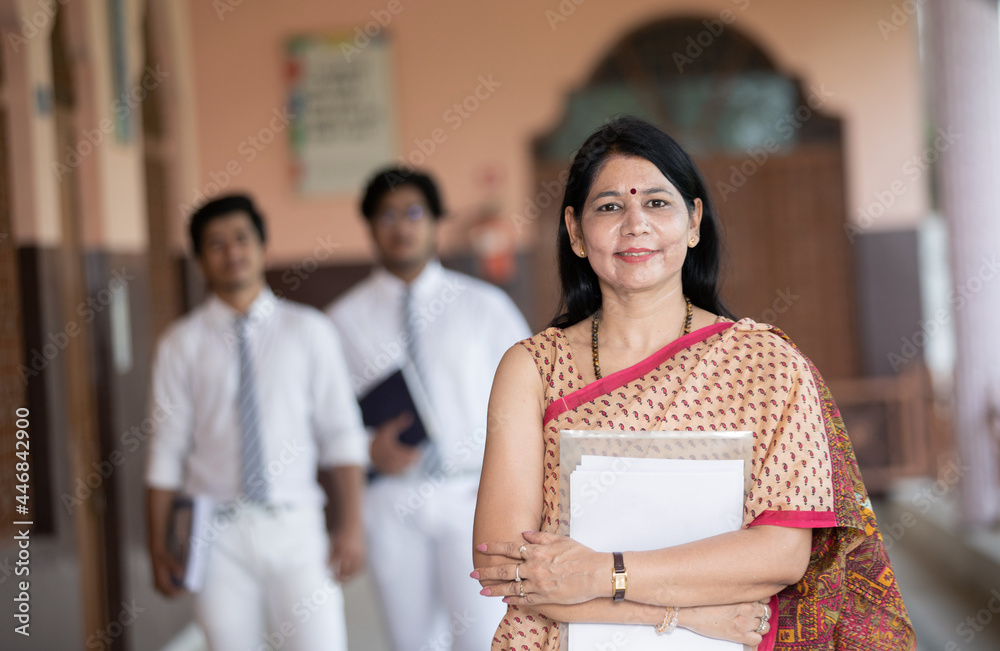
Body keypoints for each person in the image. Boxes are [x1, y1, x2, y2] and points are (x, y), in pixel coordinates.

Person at [472, 117, 916, 650]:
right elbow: (503, 565)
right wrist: (682, 614)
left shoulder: (767, 365)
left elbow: (780, 555)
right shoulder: (532, 368)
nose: (635, 224)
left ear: (695, 221)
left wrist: (600, 573)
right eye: (609, 206)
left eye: (657, 203)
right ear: (575, 231)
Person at [145, 194, 368, 651]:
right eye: (216, 244)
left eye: (242, 238)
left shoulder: (309, 331)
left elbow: (341, 433)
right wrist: (157, 544)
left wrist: (352, 526)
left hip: (297, 528)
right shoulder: (180, 345)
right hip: (215, 534)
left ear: (263, 246)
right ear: (200, 260)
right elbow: (165, 450)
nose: (232, 252)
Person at [327, 167, 531, 651]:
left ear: (436, 220)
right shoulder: (340, 321)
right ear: (371, 225)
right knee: (410, 641)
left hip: (474, 495)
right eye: (387, 215)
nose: (401, 225)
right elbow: (324, 419)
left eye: (414, 212)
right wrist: (366, 448)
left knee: (484, 639)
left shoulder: (485, 306)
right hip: (393, 500)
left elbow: (532, 403)